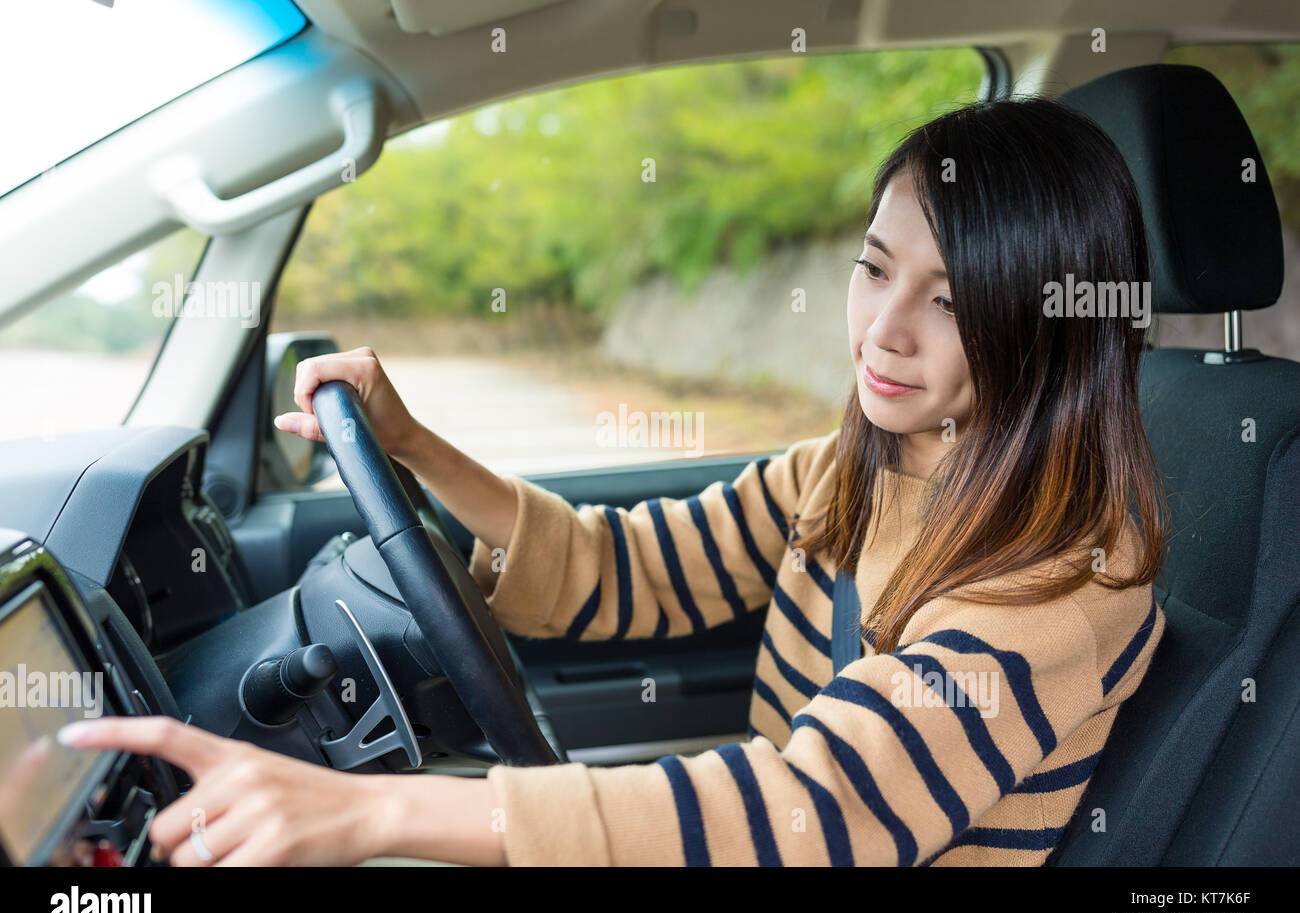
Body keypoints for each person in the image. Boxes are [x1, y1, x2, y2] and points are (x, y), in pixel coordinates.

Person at [60, 96, 1168, 866]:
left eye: (951, 299)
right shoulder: (858, 466)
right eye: (874, 268)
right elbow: (624, 568)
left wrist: (369, 810)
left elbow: (809, 810)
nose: (882, 331)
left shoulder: (1066, 582)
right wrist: (416, 446)